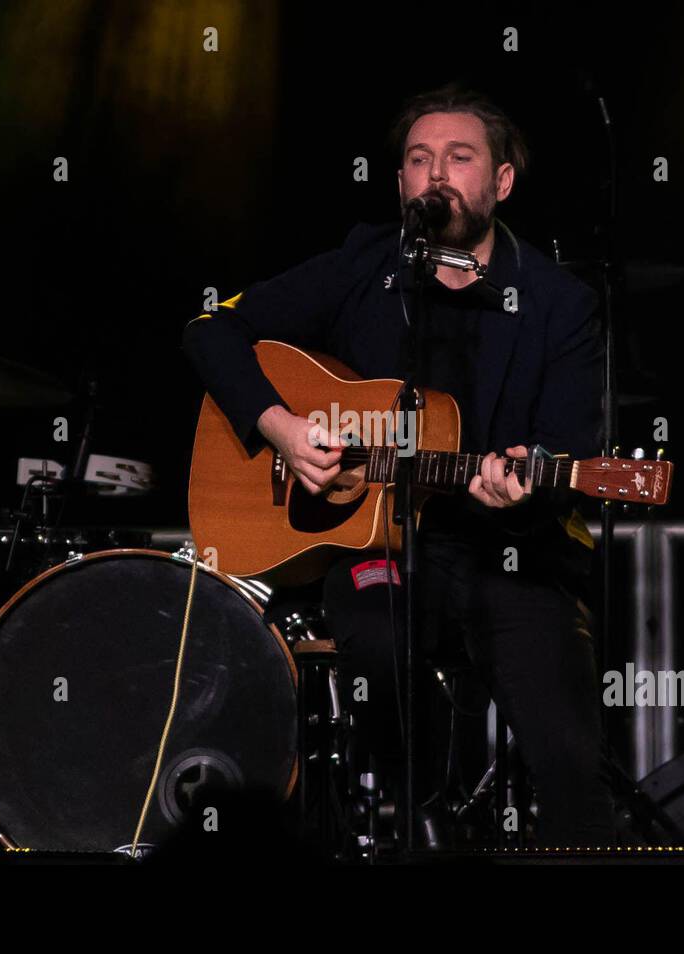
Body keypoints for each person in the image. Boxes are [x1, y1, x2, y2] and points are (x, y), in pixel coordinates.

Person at [182, 84, 613, 847]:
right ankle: (426, 818)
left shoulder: (559, 304)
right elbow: (212, 330)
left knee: (569, 760)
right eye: (419, 160)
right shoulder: (363, 264)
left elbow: (568, 450)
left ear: (501, 181)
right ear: (400, 185)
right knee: (378, 640)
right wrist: (280, 428)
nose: (435, 174)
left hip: (507, 555)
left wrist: (521, 483)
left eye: (458, 157)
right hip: (376, 545)